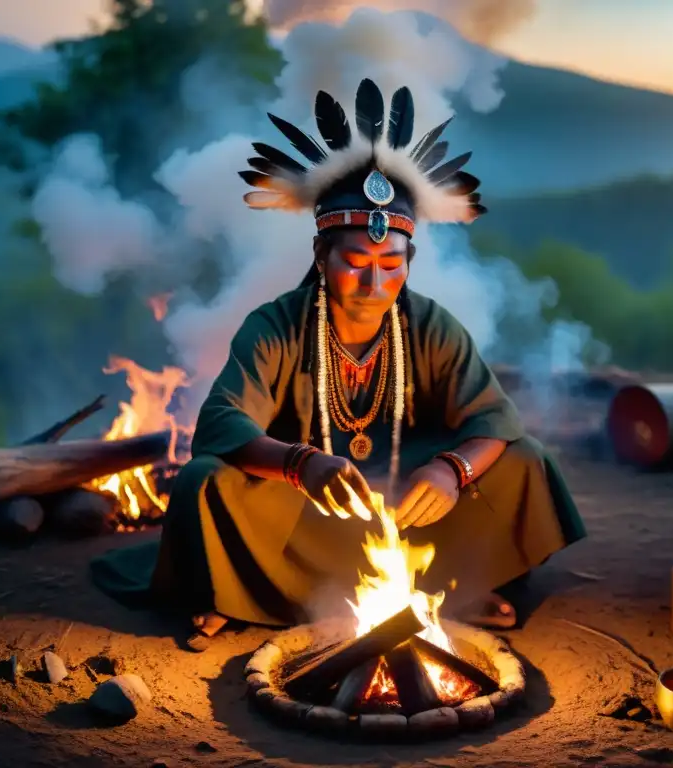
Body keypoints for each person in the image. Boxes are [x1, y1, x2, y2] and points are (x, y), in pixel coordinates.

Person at [90, 78, 585, 649]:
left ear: (410, 260)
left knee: (524, 461)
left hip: (410, 508)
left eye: (390, 263)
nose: (375, 282)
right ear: (322, 255)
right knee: (207, 482)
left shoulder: (430, 325)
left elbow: (494, 421)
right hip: (301, 512)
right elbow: (221, 423)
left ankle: (467, 584)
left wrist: (451, 472)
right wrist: (300, 465)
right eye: (355, 261)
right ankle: (236, 592)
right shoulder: (276, 325)